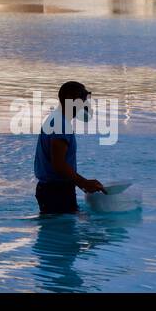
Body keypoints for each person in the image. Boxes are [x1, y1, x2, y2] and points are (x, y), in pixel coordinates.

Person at [34, 81, 105, 214]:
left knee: (60, 229)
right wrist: (84, 183)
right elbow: (59, 164)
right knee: (61, 231)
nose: (85, 104)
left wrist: (81, 185)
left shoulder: (56, 119)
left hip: (51, 189)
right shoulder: (61, 125)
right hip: (56, 191)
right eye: (83, 99)